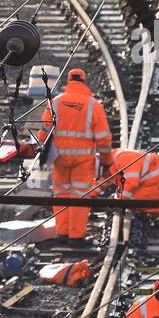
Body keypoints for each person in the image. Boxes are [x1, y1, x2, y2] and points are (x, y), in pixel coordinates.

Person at [38, 67, 113, 242]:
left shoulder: (55, 102)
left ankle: (62, 232)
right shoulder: (93, 105)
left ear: (68, 81)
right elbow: (103, 138)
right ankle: (76, 236)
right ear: (84, 81)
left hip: (59, 158)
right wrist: (106, 160)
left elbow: (44, 131)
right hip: (83, 160)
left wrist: (44, 153)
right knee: (80, 196)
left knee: (61, 194)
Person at [109, 148, 159, 243]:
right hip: (154, 184)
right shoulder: (113, 161)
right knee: (130, 199)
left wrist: (120, 201)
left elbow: (131, 183)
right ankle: (158, 211)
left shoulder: (123, 158)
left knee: (132, 201)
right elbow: (100, 183)